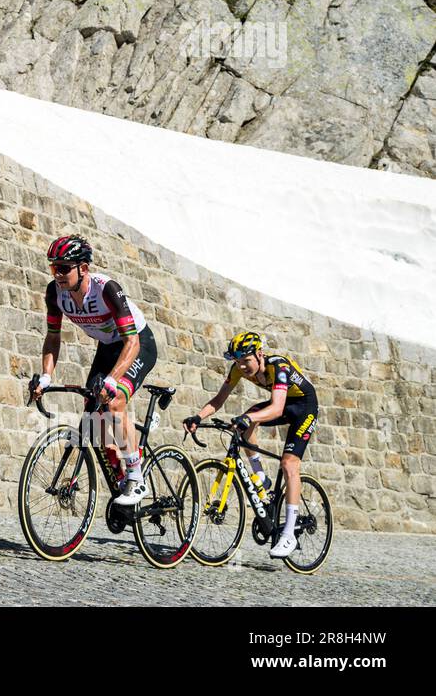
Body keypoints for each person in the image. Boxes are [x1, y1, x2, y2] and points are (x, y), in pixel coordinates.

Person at [29, 235, 158, 504]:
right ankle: (119, 474)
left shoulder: (106, 289)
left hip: (137, 343)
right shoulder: (55, 293)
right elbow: (53, 336)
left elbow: (132, 342)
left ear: (83, 268)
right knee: (93, 411)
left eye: (64, 268)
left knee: (114, 400)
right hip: (108, 347)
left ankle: (136, 477)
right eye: (54, 268)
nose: (58, 274)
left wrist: (112, 381)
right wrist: (45, 376)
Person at [183, 331, 318, 558]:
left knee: (289, 464)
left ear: (259, 354)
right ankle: (261, 478)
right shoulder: (237, 369)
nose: (242, 366)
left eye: (246, 360)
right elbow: (219, 399)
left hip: (304, 407)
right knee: (243, 424)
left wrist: (249, 417)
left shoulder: (279, 367)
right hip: (283, 403)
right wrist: (198, 417)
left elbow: (276, 408)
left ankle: (289, 535)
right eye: (238, 362)